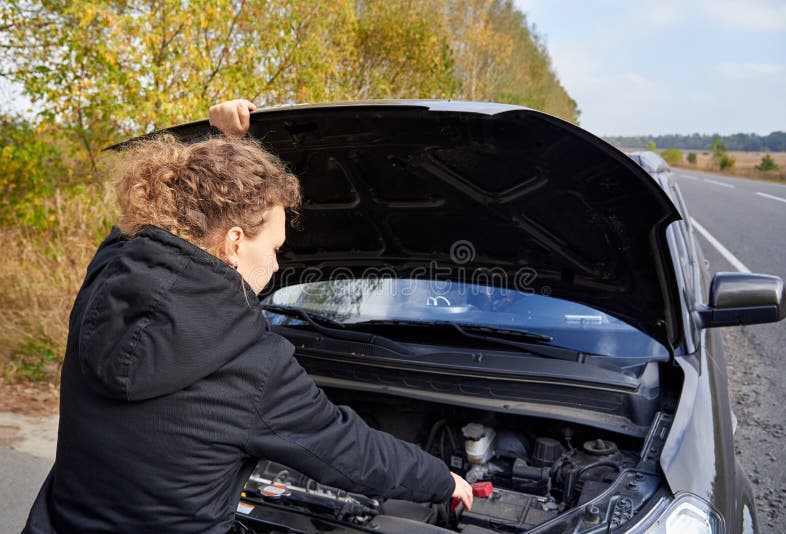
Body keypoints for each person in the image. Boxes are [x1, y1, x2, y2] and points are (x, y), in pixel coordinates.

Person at [23, 103, 473, 533]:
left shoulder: (103, 282)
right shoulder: (251, 364)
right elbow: (350, 450)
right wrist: (442, 479)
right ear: (235, 241)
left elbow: (173, 206)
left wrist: (224, 141)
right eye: (275, 247)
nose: (278, 266)